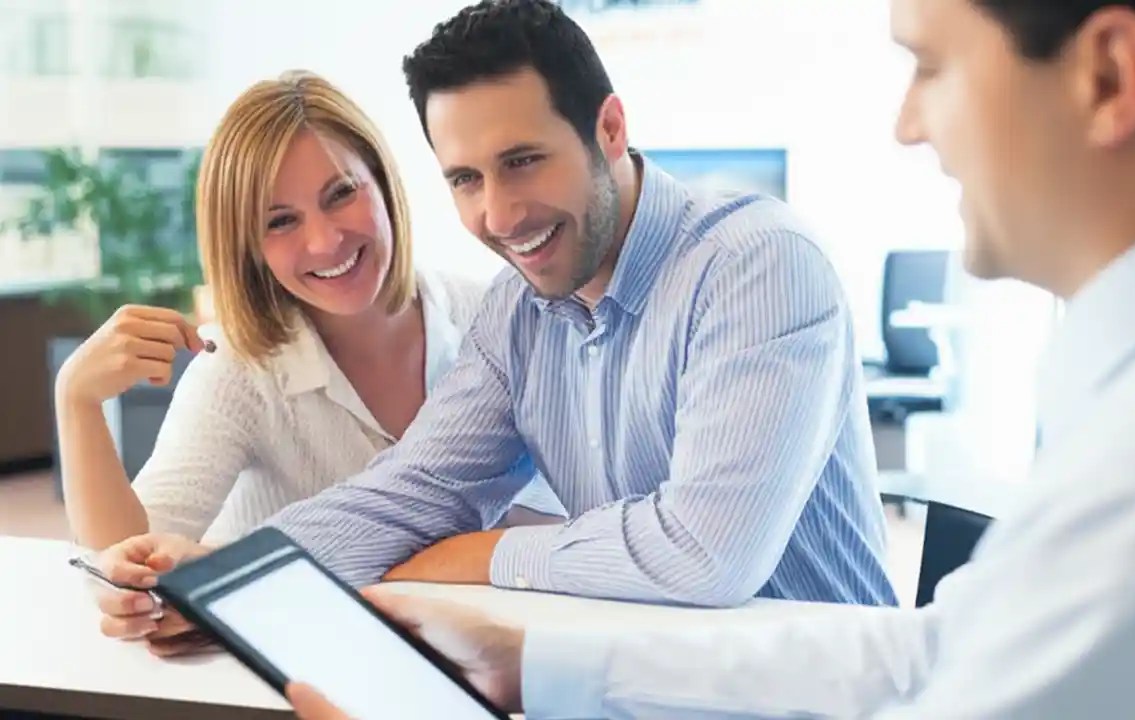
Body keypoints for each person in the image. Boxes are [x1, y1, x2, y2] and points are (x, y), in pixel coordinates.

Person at [271, 0, 1135, 717]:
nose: (904, 124)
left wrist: (490, 560)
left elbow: (708, 557)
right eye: (463, 178)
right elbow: (926, 656)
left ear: (1105, 76)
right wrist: (530, 670)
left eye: (928, 64)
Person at [88, 0, 896, 632]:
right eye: (466, 179)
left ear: (609, 129)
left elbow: (706, 553)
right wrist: (217, 580)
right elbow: (408, 494)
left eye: (522, 162)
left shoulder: (755, 263)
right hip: (643, 684)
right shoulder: (518, 314)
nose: (500, 214)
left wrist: (473, 555)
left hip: (817, 696)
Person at [56, 69, 564, 558]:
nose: (324, 242)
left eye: (341, 193)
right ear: (248, 248)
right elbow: (129, 564)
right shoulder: (239, 369)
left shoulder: (494, 317)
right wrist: (75, 401)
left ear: (383, 183)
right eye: (280, 221)